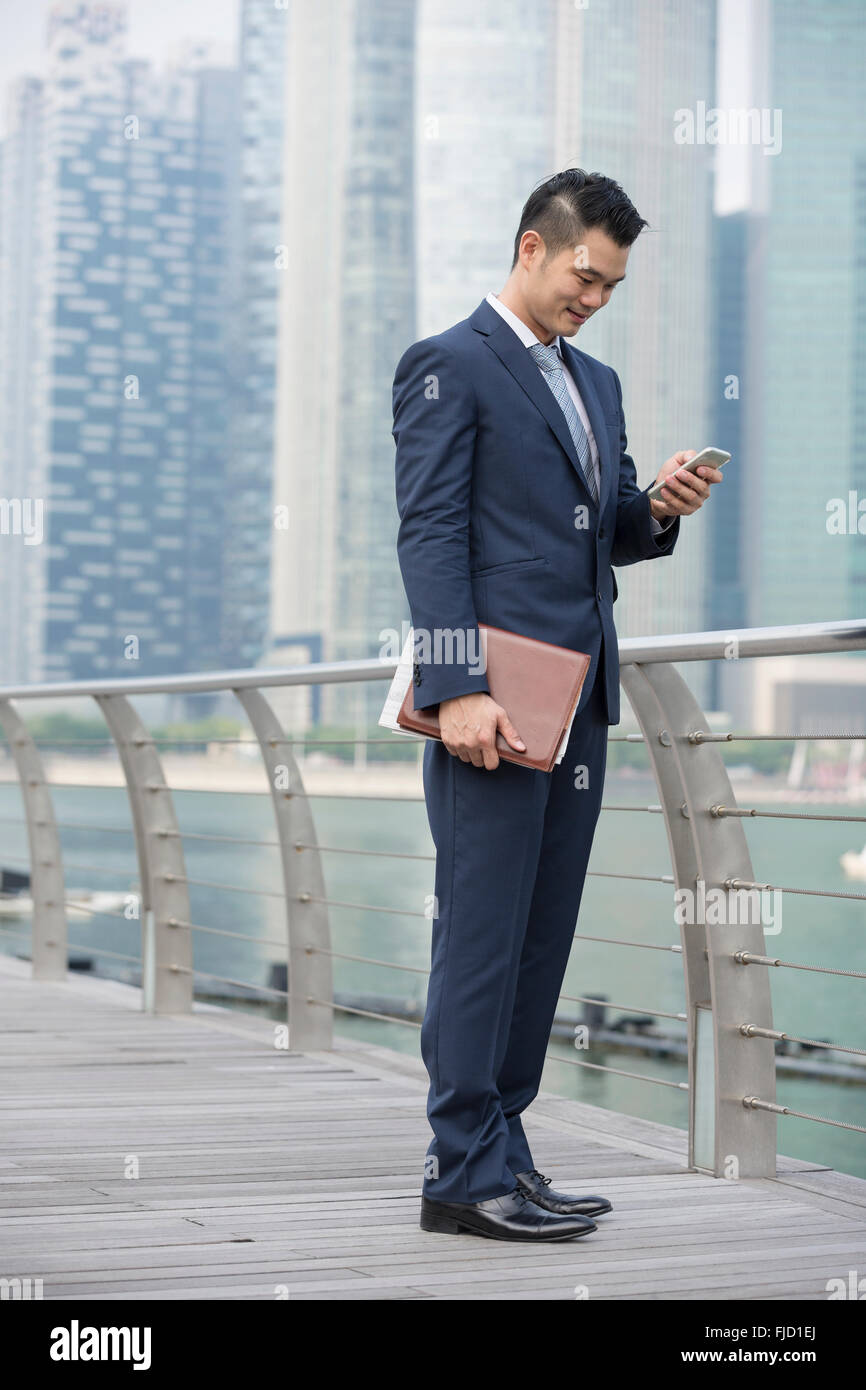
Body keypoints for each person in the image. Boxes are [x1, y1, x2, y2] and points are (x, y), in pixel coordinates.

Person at [392, 169, 723, 1242]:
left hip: (578, 705)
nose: (594, 298)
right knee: (480, 938)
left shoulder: (598, 380)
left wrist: (657, 509)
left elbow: (605, 529)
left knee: (538, 941)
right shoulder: (449, 364)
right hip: (492, 704)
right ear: (531, 247)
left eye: (611, 286)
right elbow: (430, 536)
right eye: (585, 275)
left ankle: (504, 1149)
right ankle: (458, 1171)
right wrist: (456, 690)